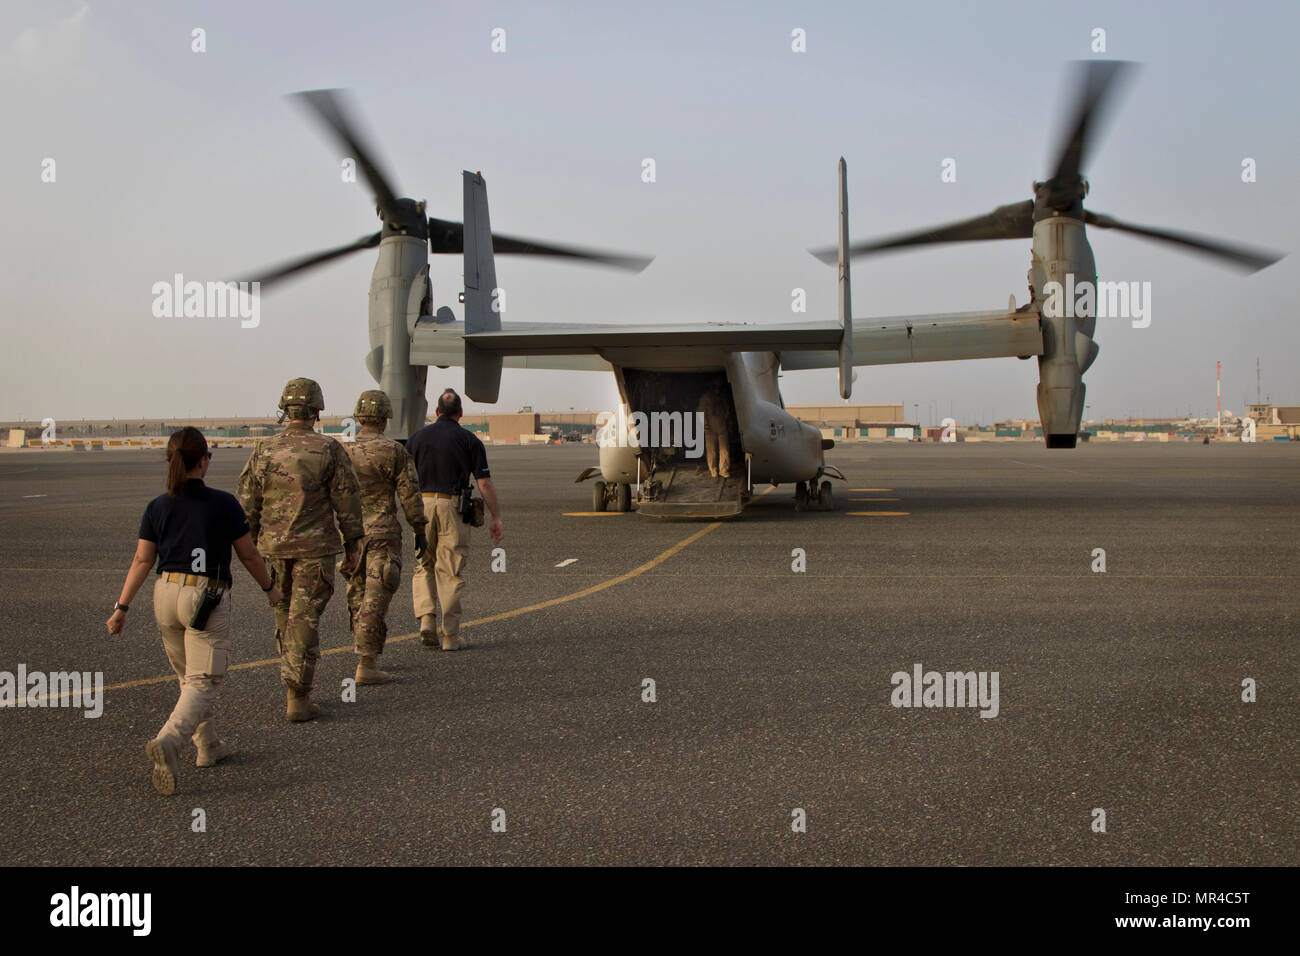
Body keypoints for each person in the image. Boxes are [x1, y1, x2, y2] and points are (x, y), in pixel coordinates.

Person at [106, 426, 283, 796]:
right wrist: (270, 588)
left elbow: (142, 559)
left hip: (165, 593)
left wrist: (122, 606)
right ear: (202, 461)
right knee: (203, 679)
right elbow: (248, 553)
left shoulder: (157, 506)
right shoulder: (223, 504)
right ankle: (169, 742)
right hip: (205, 597)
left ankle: (208, 745)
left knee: (188, 678)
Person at [237, 377, 364, 721]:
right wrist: (353, 544)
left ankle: (295, 687)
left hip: (274, 550)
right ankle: (298, 694)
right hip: (315, 548)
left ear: (285, 409)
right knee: (304, 617)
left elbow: (247, 503)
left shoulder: (263, 450)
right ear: (316, 410)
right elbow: (347, 501)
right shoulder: (328, 449)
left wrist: (246, 543)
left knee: (285, 614)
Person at [342, 390, 429, 684]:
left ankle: (366, 652)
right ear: (384, 418)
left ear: (358, 417)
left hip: (351, 535)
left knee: (357, 594)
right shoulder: (394, 451)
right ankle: (366, 663)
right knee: (375, 596)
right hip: (382, 533)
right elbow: (410, 497)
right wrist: (419, 530)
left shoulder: (343, 452)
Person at [405, 388, 503, 651]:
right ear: (460, 413)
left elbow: (405, 480)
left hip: (422, 504)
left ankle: (426, 619)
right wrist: (496, 517)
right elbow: (483, 482)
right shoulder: (469, 440)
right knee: (449, 570)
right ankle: (450, 636)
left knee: (423, 564)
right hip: (452, 505)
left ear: (436, 412)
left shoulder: (415, 439)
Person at [697, 382, 733, 479]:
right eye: (715, 386)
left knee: (724, 450)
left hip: (722, 426)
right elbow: (701, 411)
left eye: (719, 387)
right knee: (711, 450)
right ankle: (713, 469)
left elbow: (727, 411)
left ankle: (723, 469)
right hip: (710, 428)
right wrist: (704, 424)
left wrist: (729, 423)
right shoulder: (705, 398)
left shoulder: (723, 398)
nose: (717, 389)